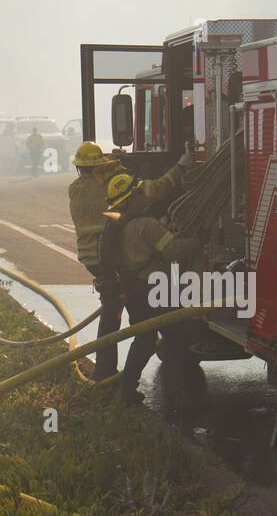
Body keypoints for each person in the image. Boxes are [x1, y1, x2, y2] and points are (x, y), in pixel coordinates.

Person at [67, 141, 194, 379]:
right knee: (132, 310)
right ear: (98, 167)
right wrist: (181, 167)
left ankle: (107, 368)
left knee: (112, 309)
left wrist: (111, 167)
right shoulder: (109, 184)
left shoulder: (75, 189)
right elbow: (155, 190)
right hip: (112, 259)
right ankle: (121, 367)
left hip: (92, 259)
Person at [101, 172, 200, 407]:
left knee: (144, 340)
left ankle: (128, 390)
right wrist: (198, 242)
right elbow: (174, 251)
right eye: (137, 192)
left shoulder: (118, 225)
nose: (142, 195)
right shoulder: (146, 225)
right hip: (155, 290)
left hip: (135, 290)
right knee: (179, 336)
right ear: (130, 199)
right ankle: (181, 394)